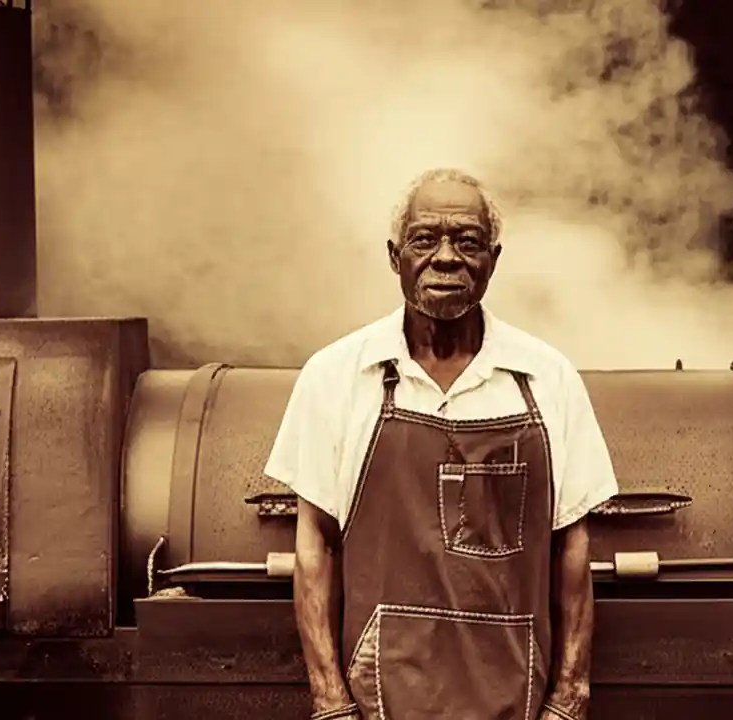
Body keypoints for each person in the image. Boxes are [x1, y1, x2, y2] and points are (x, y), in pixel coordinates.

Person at [264, 168, 619, 720]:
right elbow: (315, 546)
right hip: (378, 698)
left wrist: (570, 696)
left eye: (468, 241)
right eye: (425, 239)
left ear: (493, 260)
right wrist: (330, 698)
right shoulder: (335, 375)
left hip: (516, 698)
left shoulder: (549, 378)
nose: (446, 257)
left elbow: (571, 548)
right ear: (394, 256)